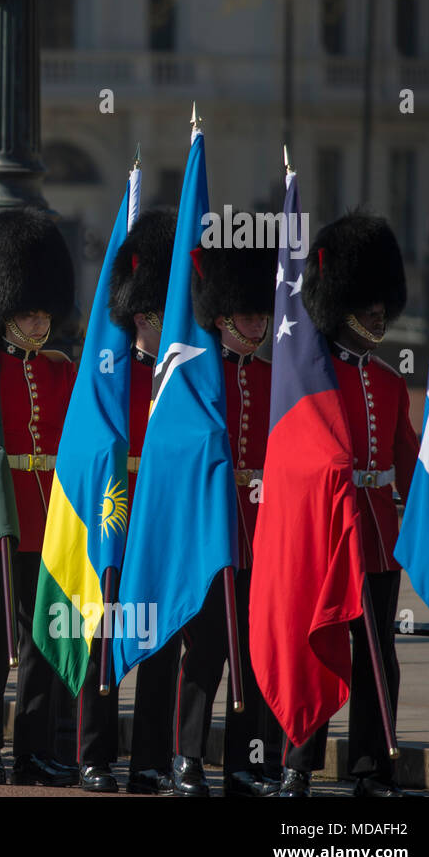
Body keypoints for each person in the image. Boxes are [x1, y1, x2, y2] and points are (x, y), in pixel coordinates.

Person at [280, 212, 419, 798]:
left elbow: (407, 460)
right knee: (320, 643)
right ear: (341, 304)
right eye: (368, 305)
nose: (379, 315)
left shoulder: (386, 382)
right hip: (330, 533)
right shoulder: (314, 378)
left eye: (382, 305)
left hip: (379, 539)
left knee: (377, 656)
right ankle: (297, 764)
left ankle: (372, 769)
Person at [0, 208, 79, 787]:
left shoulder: (59, 371)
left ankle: (33, 749)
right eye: (29, 314)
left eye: (43, 314)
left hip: (49, 520)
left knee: (43, 640)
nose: (39, 325)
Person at [77, 208, 183, 795]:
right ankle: (96, 756)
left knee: (163, 642)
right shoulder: (109, 373)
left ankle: (149, 761)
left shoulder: (184, 379)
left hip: (162, 517)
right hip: (117, 512)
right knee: (105, 635)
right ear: (142, 315)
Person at [172, 241, 282, 797]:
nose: (258, 324)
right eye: (247, 315)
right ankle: (187, 758)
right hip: (211, 531)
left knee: (256, 652)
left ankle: (245, 763)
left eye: (262, 314)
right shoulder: (199, 377)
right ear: (220, 317)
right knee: (207, 652)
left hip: (260, 531)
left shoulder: (271, 378)